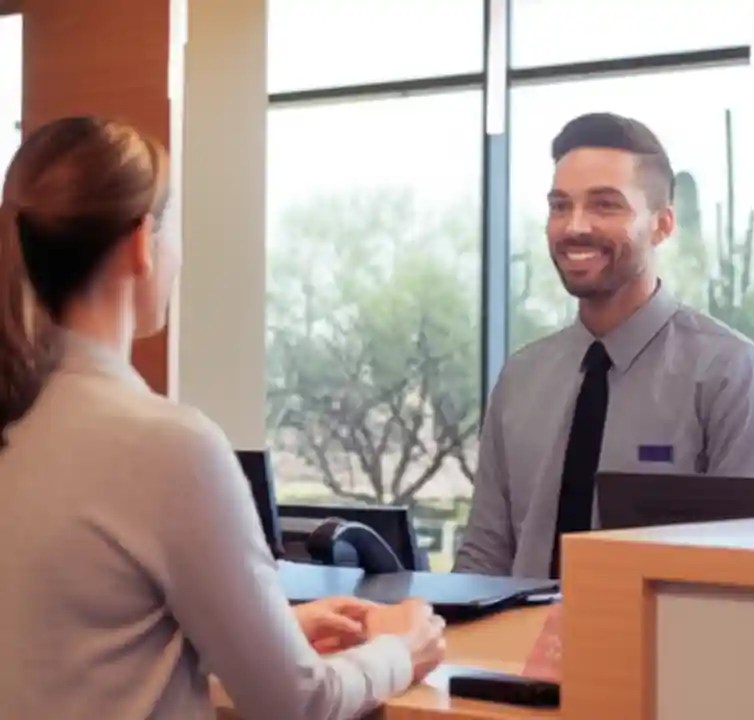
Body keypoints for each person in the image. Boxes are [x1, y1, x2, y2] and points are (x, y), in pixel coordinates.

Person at [0, 116, 446, 720]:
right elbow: (297, 701)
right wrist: (404, 649)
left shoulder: (25, 417)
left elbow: (69, 650)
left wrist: (261, 631)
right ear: (141, 244)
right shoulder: (165, 446)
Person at [454, 112, 754, 580]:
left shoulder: (732, 376)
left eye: (605, 206)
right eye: (559, 205)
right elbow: (484, 556)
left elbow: (752, 574)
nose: (574, 227)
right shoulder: (521, 377)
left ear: (662, 224)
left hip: (664, 651)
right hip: (512, 651)